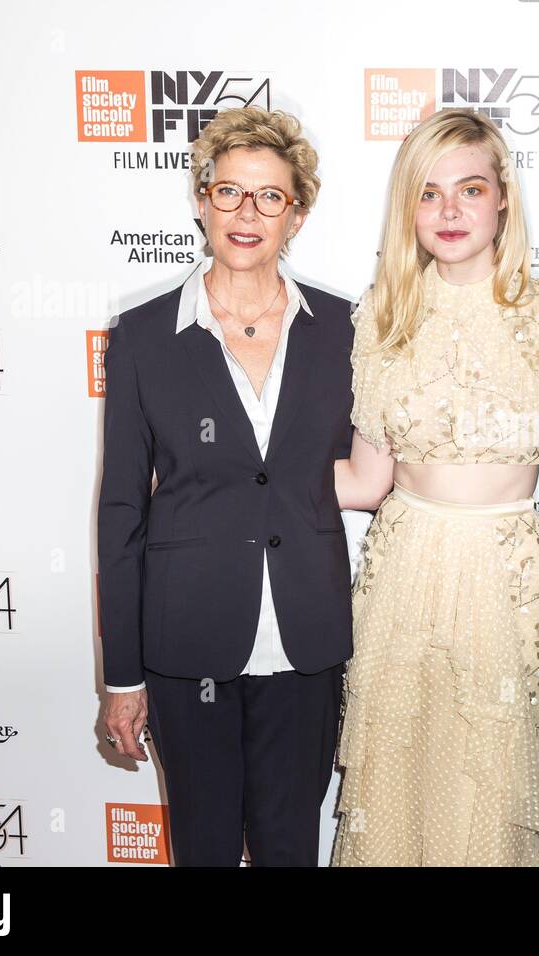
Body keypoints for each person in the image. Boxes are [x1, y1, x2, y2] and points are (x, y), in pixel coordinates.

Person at [330, 107, 539, 866]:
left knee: (491, 797)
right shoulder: (382, 316)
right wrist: (223, 484)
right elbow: (364, 478)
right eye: (428, 193)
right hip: (401, 578)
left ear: (503, 198)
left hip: (505, 582)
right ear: (406, 206)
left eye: (470, 188)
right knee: (391, 801)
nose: (449, 211)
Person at [97, 106, 354, 866]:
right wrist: (122, 677)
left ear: (297, 213)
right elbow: (120, 512)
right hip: (188, 644)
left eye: (270, 196)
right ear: (201, 199)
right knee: (203, 852)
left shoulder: (345, 329)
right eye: (229, 192)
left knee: (289, 851)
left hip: (305, 646)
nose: (247, 213)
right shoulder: (143, 336)